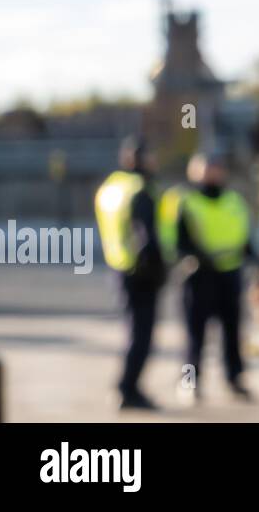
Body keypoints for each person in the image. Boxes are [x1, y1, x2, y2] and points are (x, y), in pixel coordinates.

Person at [163, 152, 252, 401]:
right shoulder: (186, 201)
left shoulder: (234, 200)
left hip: (229, 275)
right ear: (194, 172)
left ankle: (235, 378)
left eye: (215, 168)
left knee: (232, 332)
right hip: (198, 276)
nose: (212, 173)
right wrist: (195, 257)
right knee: (195, 335)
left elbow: (244, 237)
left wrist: (253, 260)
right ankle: (191, 382)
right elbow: (175, 241)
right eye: (206, 168)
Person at [93, 136, 166, 410]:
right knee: (142, 335)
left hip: (120, 267)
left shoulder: (112, 187)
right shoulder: (141, 189)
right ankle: (129, 389)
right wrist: (158, 265)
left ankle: (128, 387)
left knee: (134, 332)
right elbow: (147, 235)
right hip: (141, 272)